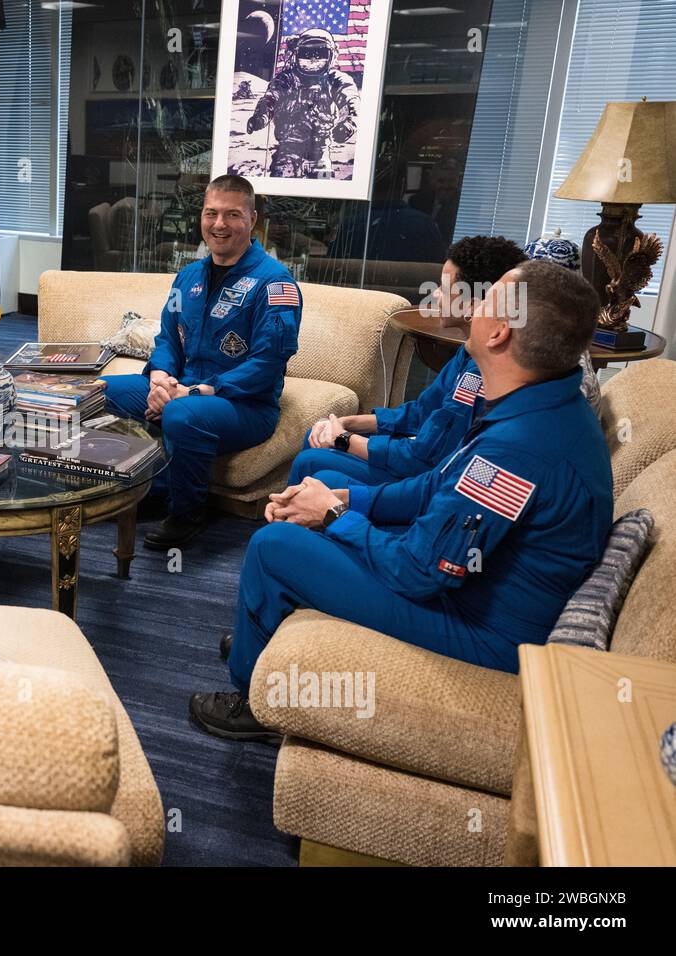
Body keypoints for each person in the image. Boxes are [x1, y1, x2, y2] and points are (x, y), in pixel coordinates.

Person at [190, 260, 612, 741]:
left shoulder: (517, 450)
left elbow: (418, 571)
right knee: (313, 499)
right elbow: (436, 486)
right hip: (467, 586)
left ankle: (255, 702)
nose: (474, 304)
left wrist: (333, 514)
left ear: (499, 333)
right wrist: (347, 498)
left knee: (272, 548)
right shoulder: (536, 406)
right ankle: (263, 631)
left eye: (487, 299)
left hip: (482, 631)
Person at [102, 174, 302, 551]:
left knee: (182, 414)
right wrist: (160, 379)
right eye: (211, 213)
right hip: (182, 387)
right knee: (101, 393)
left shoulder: (275, 283)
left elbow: (267, 364)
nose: (219, 224)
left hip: (244, 404)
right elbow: (168, 338)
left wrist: (192, 392)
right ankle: (150, 489)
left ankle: (187, 513)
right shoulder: (188, 276)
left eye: (232, 215)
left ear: (252, 219)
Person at [289, 236, 529, 489]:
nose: (435, 294)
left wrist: (344, 439)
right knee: (317, 435)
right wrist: (349, 423)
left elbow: (423, 458)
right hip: (422, 457)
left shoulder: (479, 373)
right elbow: (422, 412)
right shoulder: (469, 350)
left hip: (429, 477)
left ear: (471, 305)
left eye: (443, 288)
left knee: (310, 462)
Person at [246, 29, 360, 179]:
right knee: (282, 185)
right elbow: (271, 98)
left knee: (320, 188)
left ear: (331, 55)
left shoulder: (335, 80)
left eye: (320, 53)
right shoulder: (287, 79)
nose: (313, 59)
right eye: (306, 53)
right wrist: (261, 117)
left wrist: (348, 124)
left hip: (320, 150)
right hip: (288, 149)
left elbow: (349, 101)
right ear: (297, 54)